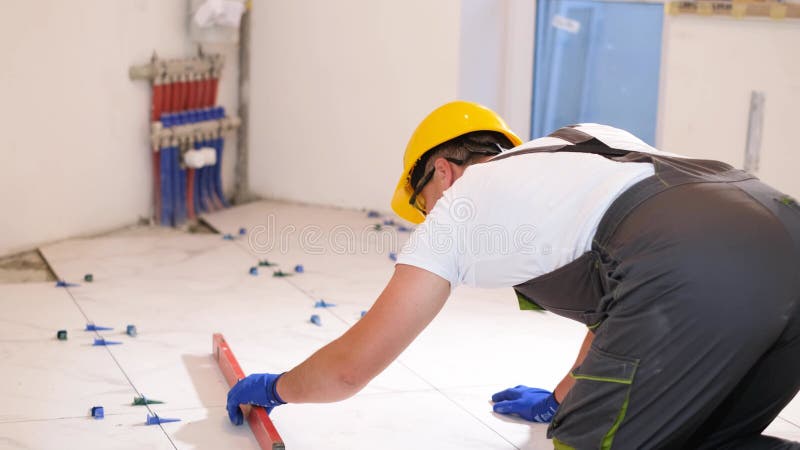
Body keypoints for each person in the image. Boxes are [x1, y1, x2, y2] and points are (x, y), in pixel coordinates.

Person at [226, 101, 800, 449]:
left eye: (423, 203)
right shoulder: (577, 147)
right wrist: (562, 396)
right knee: (705, 436)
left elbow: (354, 366)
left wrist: (279, 388)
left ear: (443, 173)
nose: (427, 217)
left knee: (584, 444)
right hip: (781, 228)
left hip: (695, 269)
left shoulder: (462, 203)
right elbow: (627, 297)